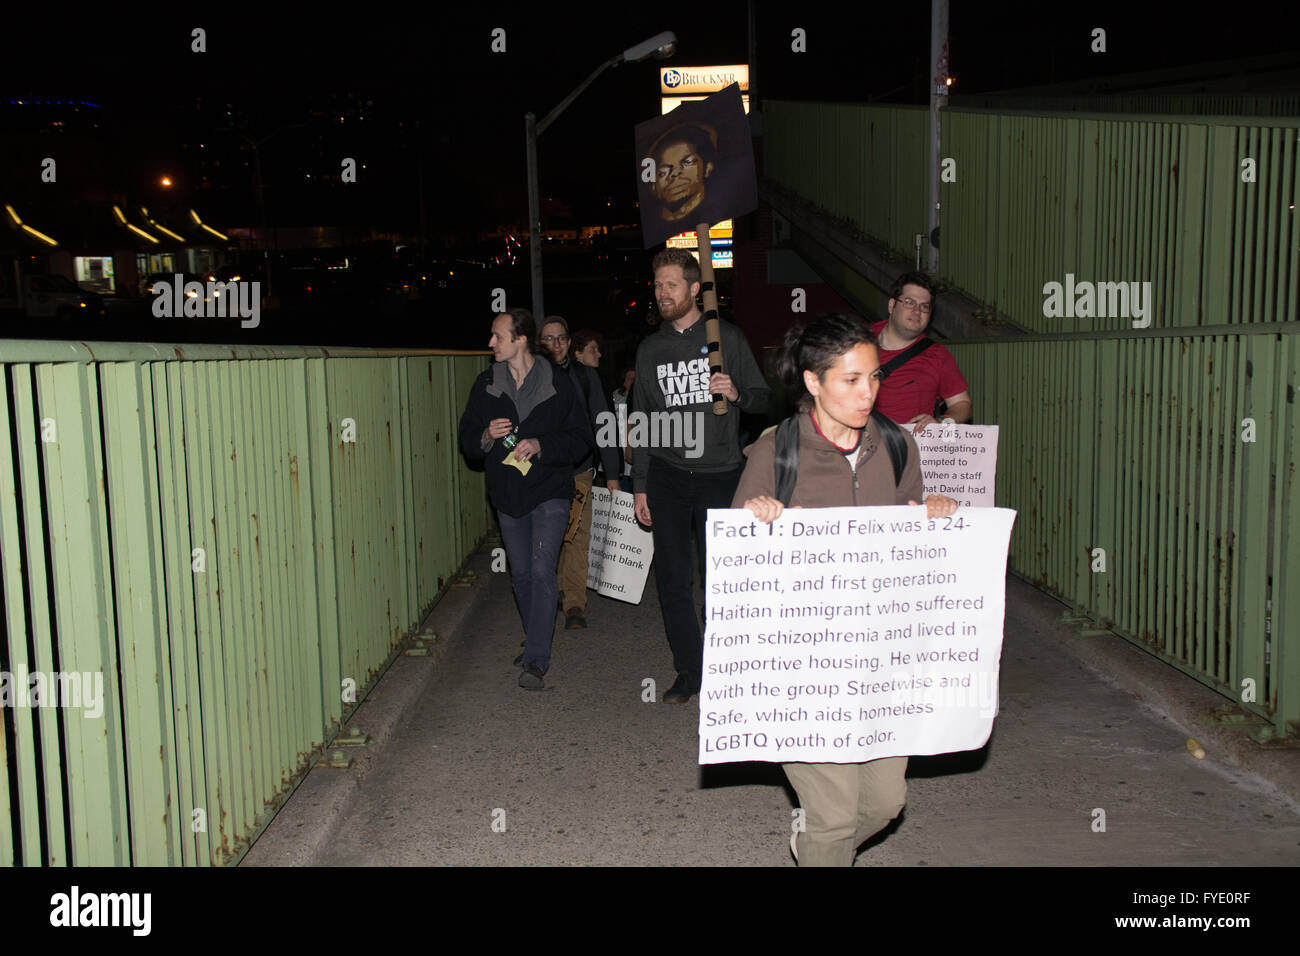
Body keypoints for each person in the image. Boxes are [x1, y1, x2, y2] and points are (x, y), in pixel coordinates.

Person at [731, 312, 959, 866]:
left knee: (885, 804)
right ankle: (823, 846)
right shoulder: (775, 452)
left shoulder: (897, 445)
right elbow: (734, 570)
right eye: (851, 380)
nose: (868, 393)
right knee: (833, 816)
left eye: (875, 377)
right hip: (804, 667)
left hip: (879, 662)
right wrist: (757, 521)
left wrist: (932, 514)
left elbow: (912, 538)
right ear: (813, 381)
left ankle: (813, 848)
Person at [632, 248, 770, 703]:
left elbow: (763, 399)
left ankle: (728, 667)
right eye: (657, 285)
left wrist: (736, 392)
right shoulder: (651, 349)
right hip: (669, 476)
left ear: (695, 289)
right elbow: (645, 424)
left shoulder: (726, 338)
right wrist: (640, 486)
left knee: (721, 579)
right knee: (672, 580)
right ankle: (690, 671)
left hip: (720, 475)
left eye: (671, 284)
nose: (662, 292)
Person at [458, 308, 593, 689]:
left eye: (497, 336)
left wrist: (541, 444)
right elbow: (466, 438)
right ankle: (535, 636)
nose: (490, 343)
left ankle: (536, 658)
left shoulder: (559, 385)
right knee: (520, 576)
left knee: (540, 568)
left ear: (520, 340)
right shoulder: (486, 385)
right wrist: (485, 433)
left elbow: (583, 438)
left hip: (550, 488)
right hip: (508, 492)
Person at [539, 315, 622, 629]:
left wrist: (612, 473)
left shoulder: (585, 377)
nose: (556, 344)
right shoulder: (529, 377)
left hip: (580, 470)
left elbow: (604, 424)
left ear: (569, 342)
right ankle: (556, 591)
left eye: (561, 338)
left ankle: (574, 603)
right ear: (539, 343)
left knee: (577, 535)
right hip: (542, 471)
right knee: (549, 536)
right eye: (549, 338)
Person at [869, 271, 972, 434]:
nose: (917, 311)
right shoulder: (856, 341)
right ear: (891, 306)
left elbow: (962, 404)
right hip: (860, 452)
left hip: (912, 453)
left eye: (924, 306)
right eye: (909, 302)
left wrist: (942, 422)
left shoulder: (938, 355)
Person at [649, 123, 720, 227]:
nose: (674, 173)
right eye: (663, 172)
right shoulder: (658, 227)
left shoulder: (715, 211)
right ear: (654, 186)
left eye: (687, 162)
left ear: (708, 168)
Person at [611, 368, 636, 492]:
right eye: (629, 378)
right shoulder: (615, 397)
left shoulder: (640, 398)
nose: (631, 381)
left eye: (634, 379)